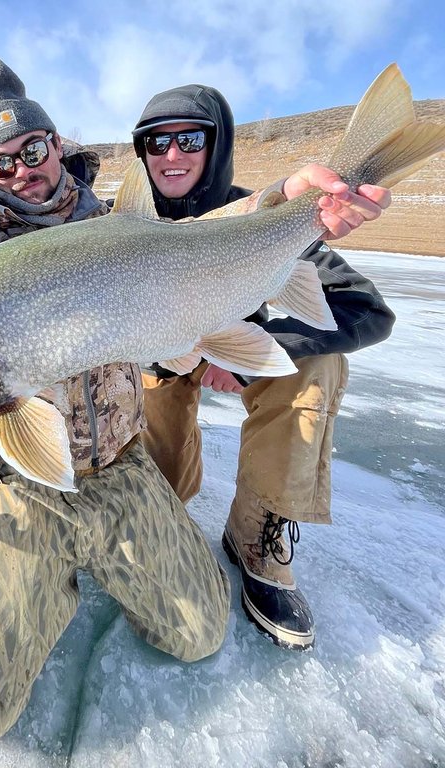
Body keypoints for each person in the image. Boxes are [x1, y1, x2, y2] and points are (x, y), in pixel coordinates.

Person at [0, 56, 385, 740]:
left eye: (32, 151)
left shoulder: (112, 219)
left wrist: (286, 198)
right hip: (18, 479)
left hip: (118, 464)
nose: (23, 171)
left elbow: (191, 239)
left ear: (56, 147)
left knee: (198, 632)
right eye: (1, 163)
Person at [132, 83, 395, 651]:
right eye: (156, 143)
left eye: (188, 139)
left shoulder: (272, 216)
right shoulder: (125, 221)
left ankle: (257, 534)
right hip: (161, 365)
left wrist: (257, 352)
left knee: (319, 363)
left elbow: (367, 311)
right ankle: (162, 496)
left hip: (238, 354)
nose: (171, 155)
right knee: (161, 491)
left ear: (216, 145)